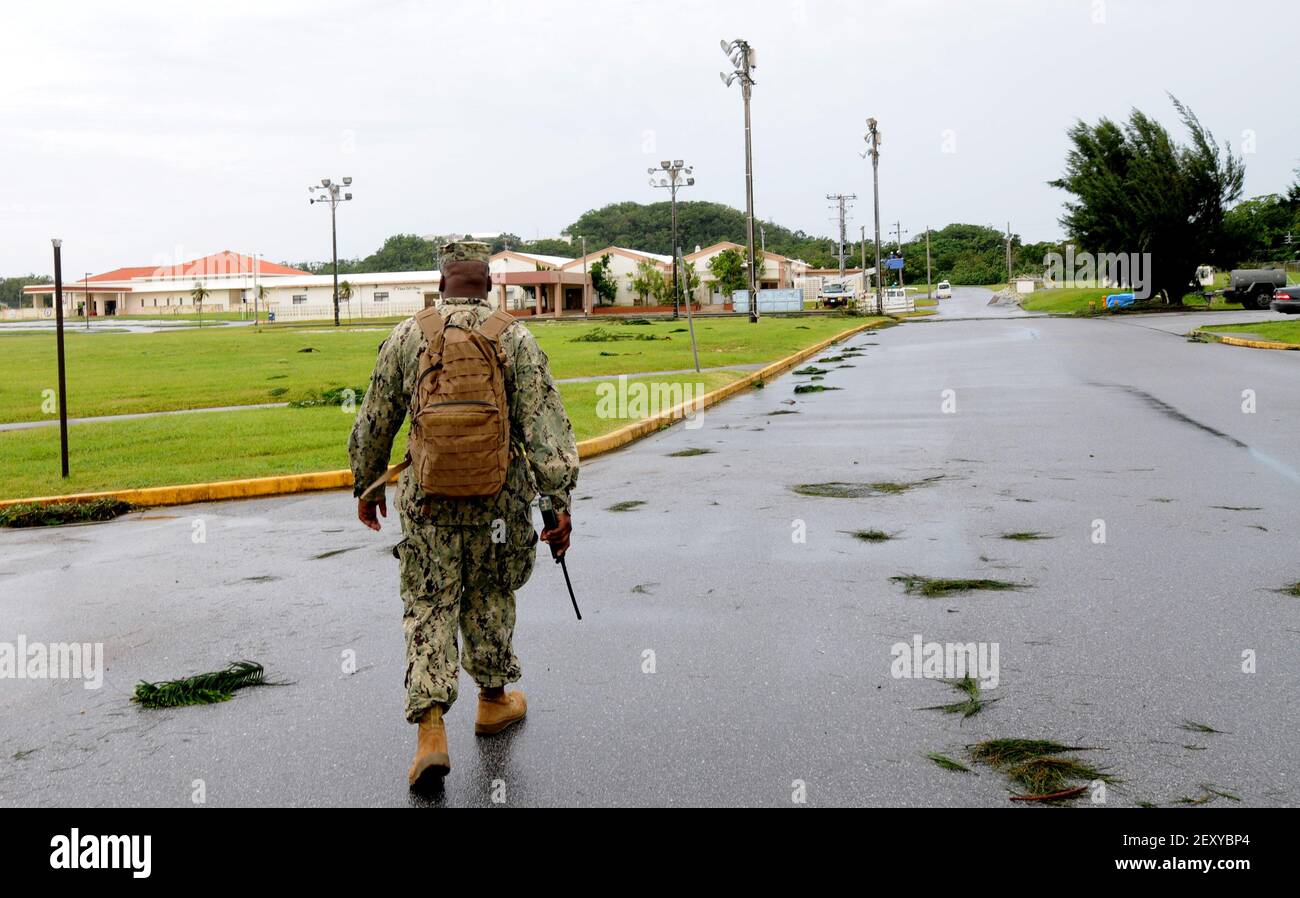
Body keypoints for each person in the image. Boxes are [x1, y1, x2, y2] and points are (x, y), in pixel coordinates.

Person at [347, 240, 579, 790]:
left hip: (428, 502)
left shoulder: (410, 335)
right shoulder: (514, 338)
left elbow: (376, 417)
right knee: (491, 593)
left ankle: (431, 734)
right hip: (498, 500)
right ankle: (493, 701)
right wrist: (557, 505)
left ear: (444, 281)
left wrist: (368, 483)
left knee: (429, 602)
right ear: (488, 284)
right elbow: (545, 430)